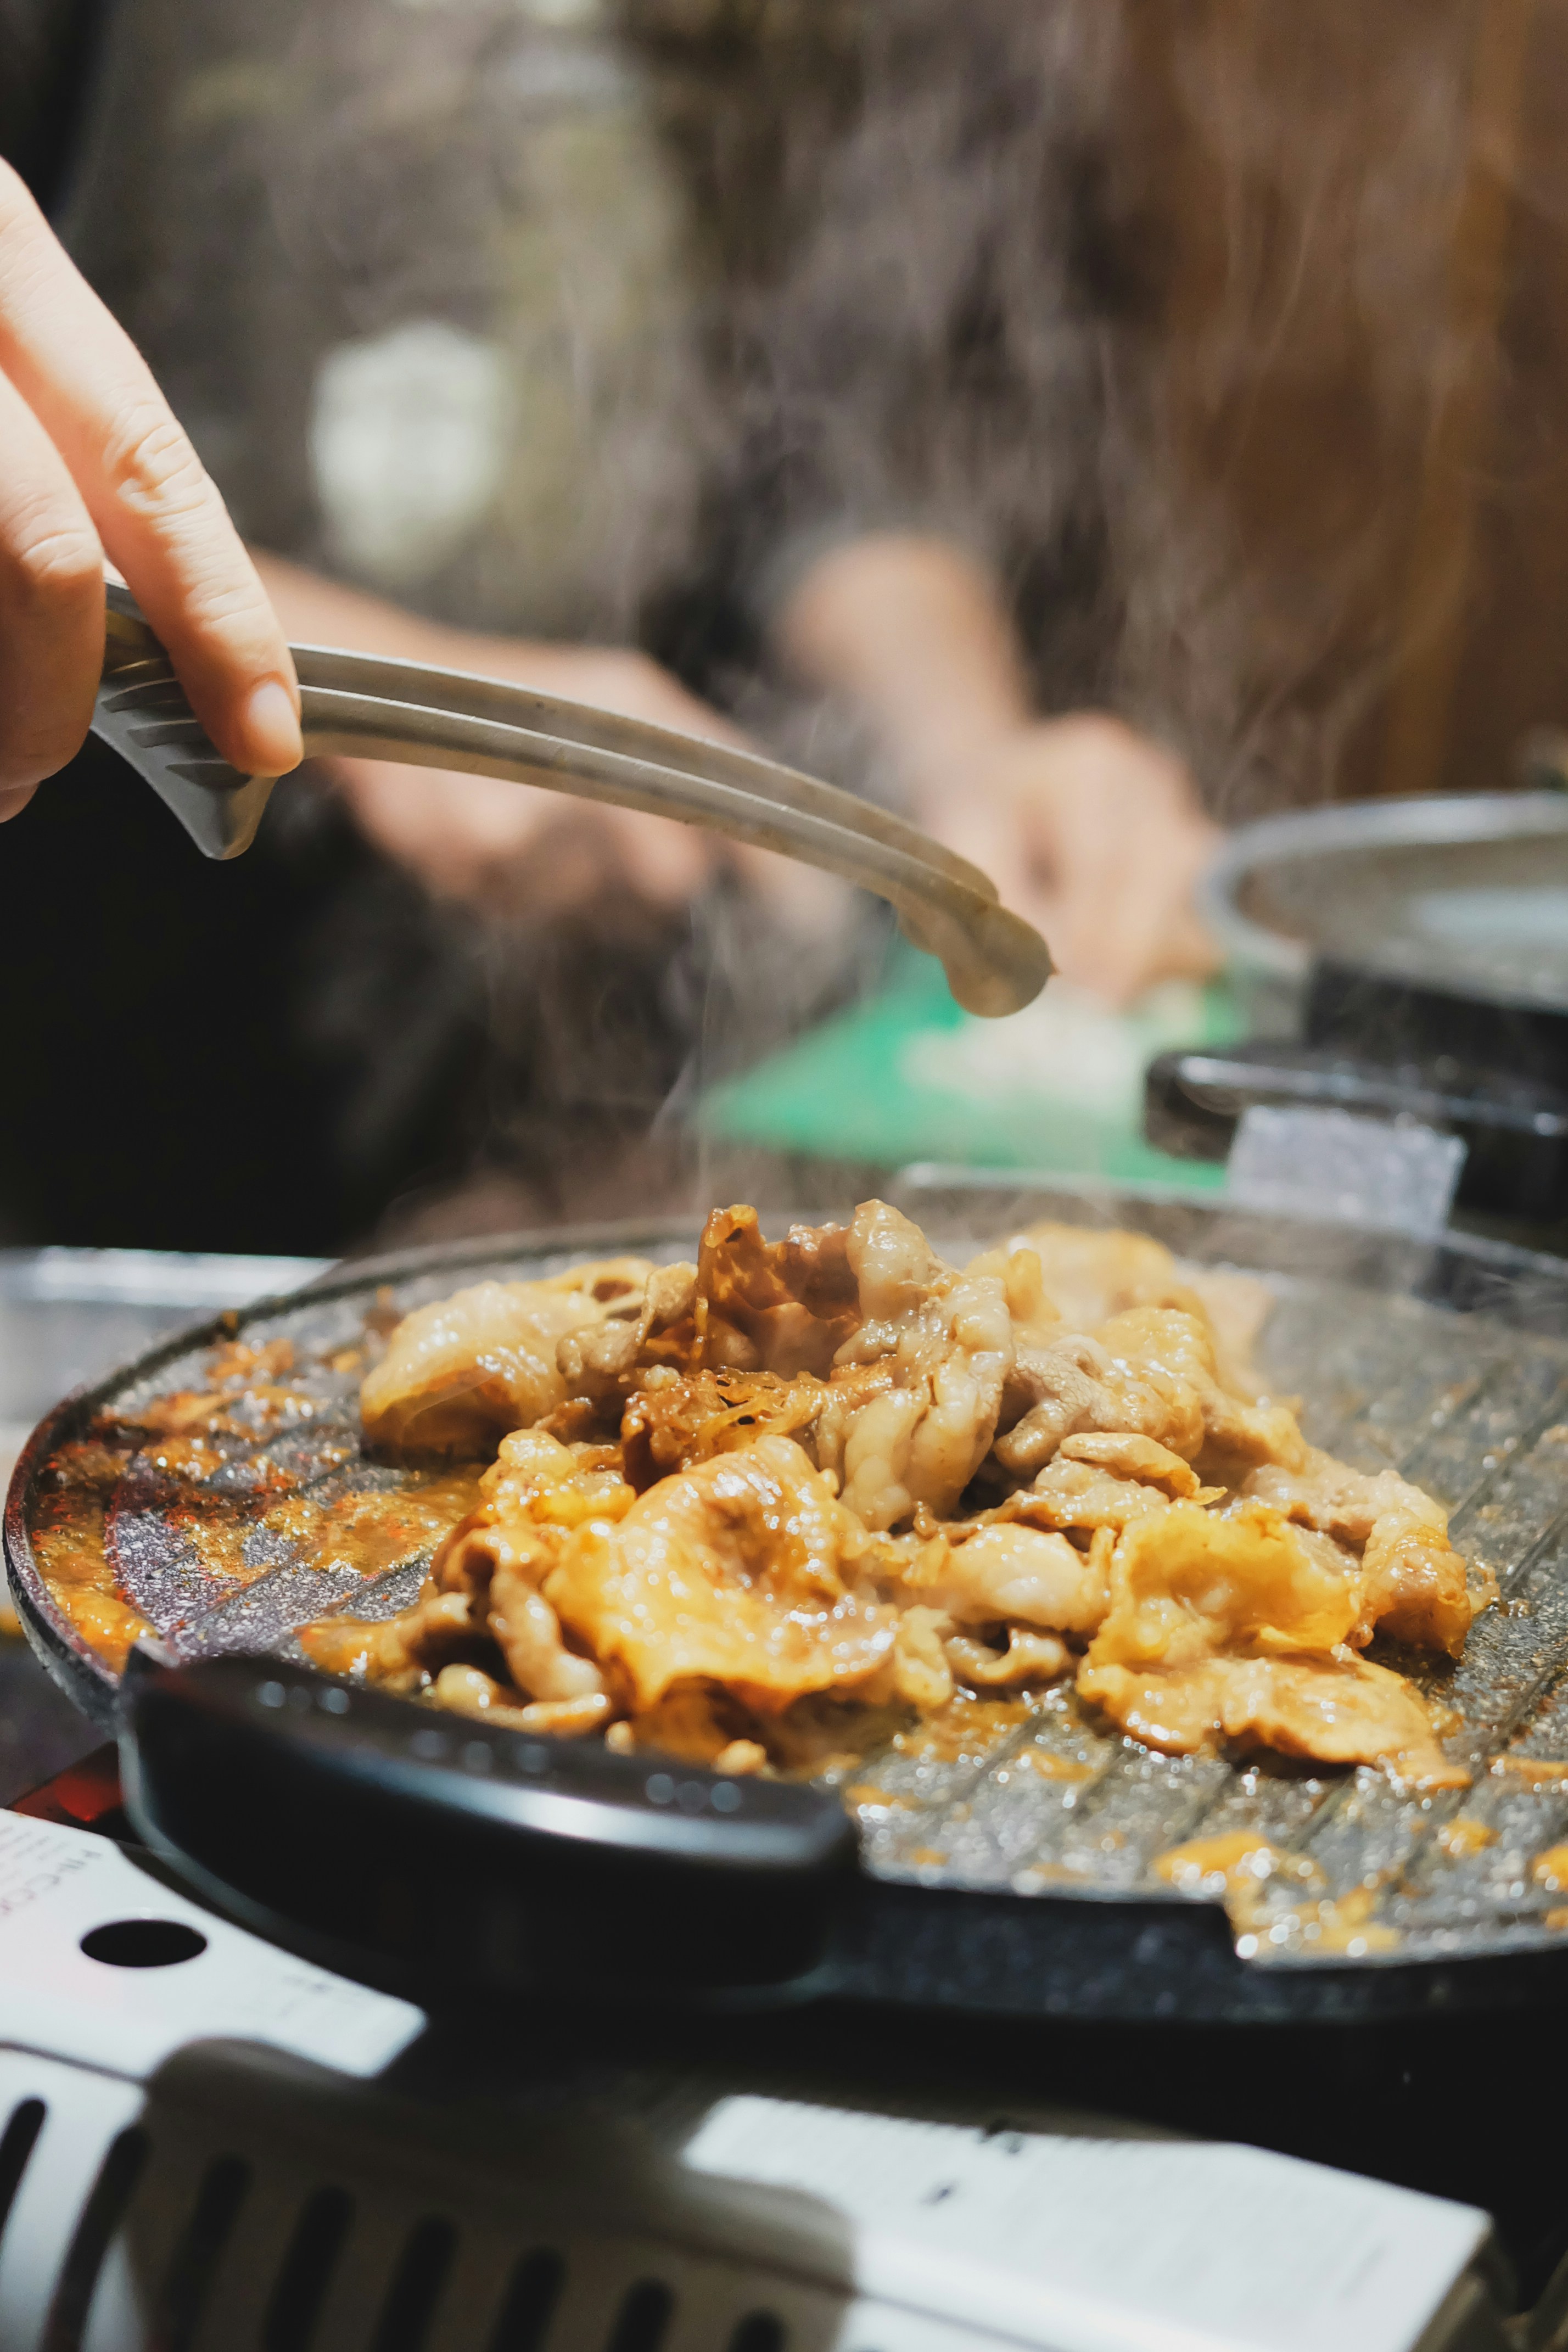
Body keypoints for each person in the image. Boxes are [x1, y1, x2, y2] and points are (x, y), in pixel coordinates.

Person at [0, 2, 1219, 1248]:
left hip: (572, 1073)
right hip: (99, 1007)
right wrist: (367, 678)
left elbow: (829, 418)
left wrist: (968, 760)